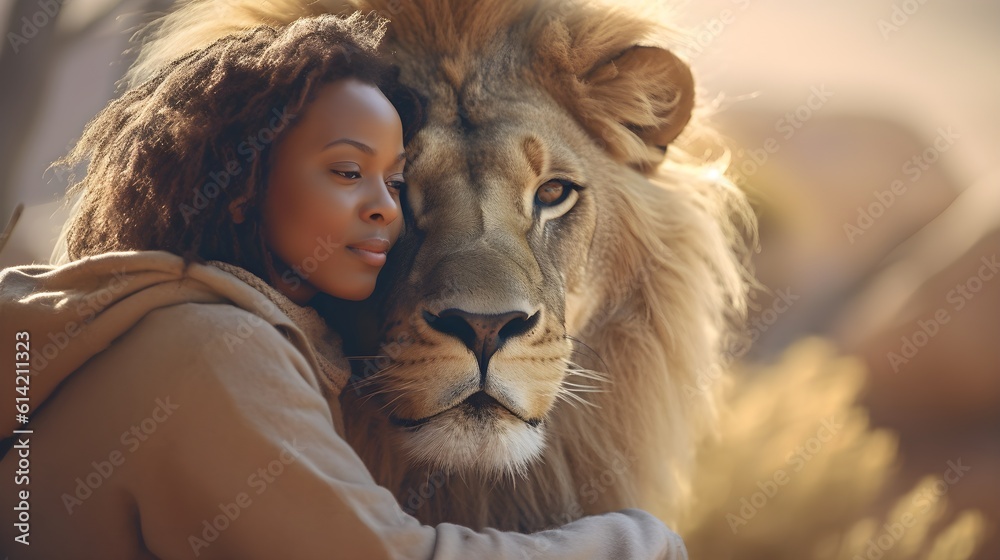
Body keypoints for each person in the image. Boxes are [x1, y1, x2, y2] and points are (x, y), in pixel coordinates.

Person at [0, 13, 687, 560]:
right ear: (243, 187)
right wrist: (644, 541)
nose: (388, 211)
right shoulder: (217, 345)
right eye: (349, 173)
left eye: (555, 192)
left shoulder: (149, 316)